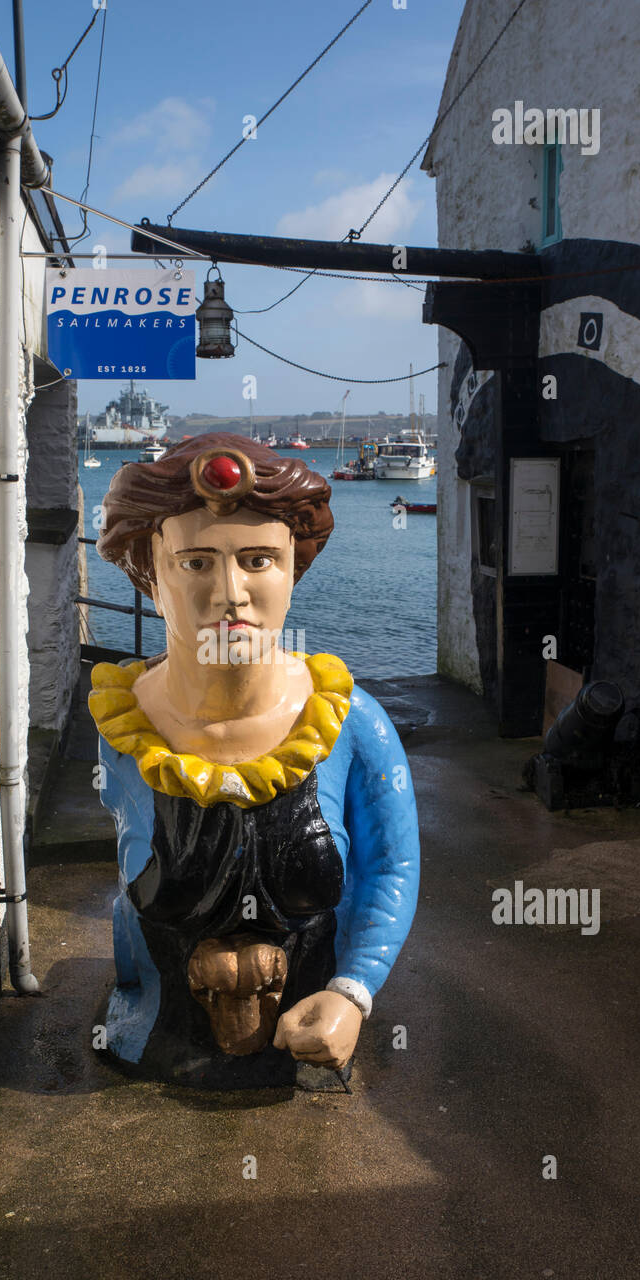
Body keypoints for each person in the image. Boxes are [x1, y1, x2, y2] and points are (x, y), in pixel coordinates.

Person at [88, 433, 420, 1088]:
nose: (231, 592)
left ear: (294, 569)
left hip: (309, 1038)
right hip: (157, 1033)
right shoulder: (127, 731)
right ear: (151, 578)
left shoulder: (349, 724)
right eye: (196, 563)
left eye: (259, 559)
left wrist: (352, 992)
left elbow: (391, 864)